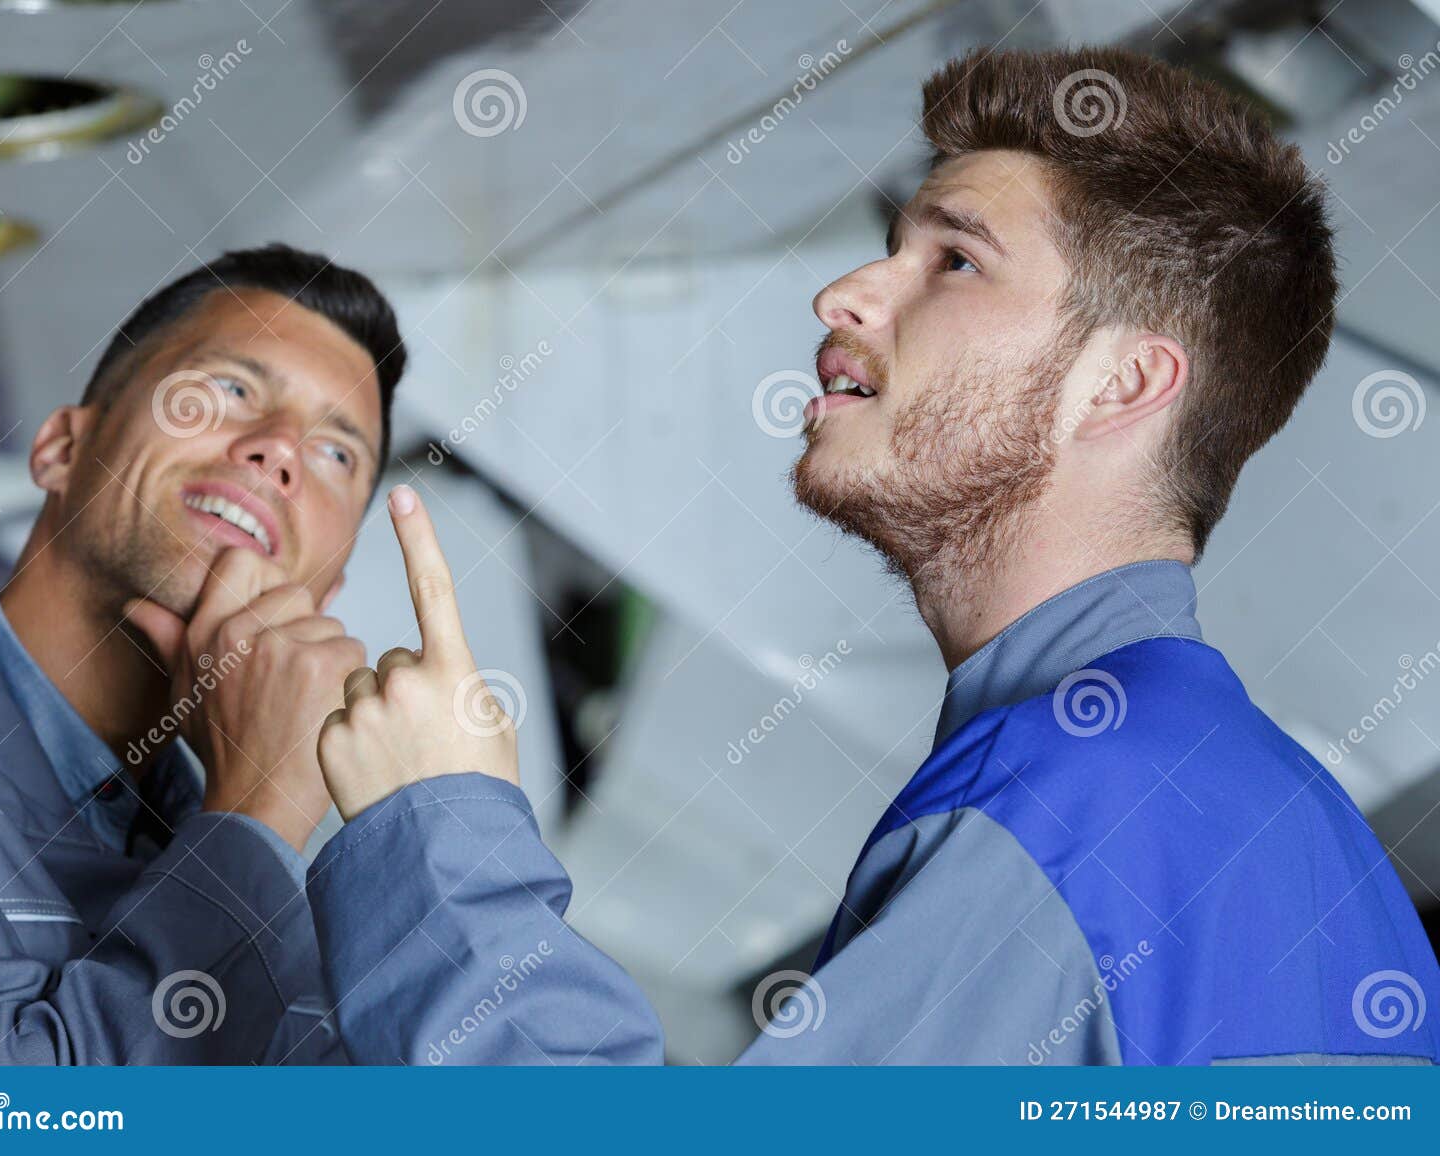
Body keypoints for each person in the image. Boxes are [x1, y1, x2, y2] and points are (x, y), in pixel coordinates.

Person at [304, 46, 1440, 1064]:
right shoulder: (1296, 845)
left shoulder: (1069, 807)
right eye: (891, 244)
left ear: (1122, 384)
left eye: (953, 261)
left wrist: (431, 829)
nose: (843, 291)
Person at [0, 244, 402, 1064]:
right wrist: (261, 812)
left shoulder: (255, 864)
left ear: (328, 584)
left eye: (336, 453)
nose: (280, 448)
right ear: (62, 450)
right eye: (230, 388)